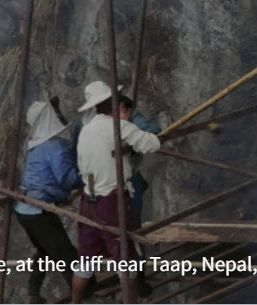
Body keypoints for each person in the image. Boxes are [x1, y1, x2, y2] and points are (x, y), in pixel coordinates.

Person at [70, 80, 160, 303]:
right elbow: (152, 144)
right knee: (126, 259)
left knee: (85, 261)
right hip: (112, 201)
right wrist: (127, 123)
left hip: (87, 201)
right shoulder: (118, 126)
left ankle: (74, 303)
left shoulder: (86, 130)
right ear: (116, 105)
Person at [12, 98, 82, 303]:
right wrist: (85, 176)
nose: (60, 116)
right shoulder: (55, 146)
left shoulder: (36, 146)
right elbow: (66, 178)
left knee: (44, 251)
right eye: (56, 113)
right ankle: (84, 294)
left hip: (25, 210)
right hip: (38, 211)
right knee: (67, 256)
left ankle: (33, 293)